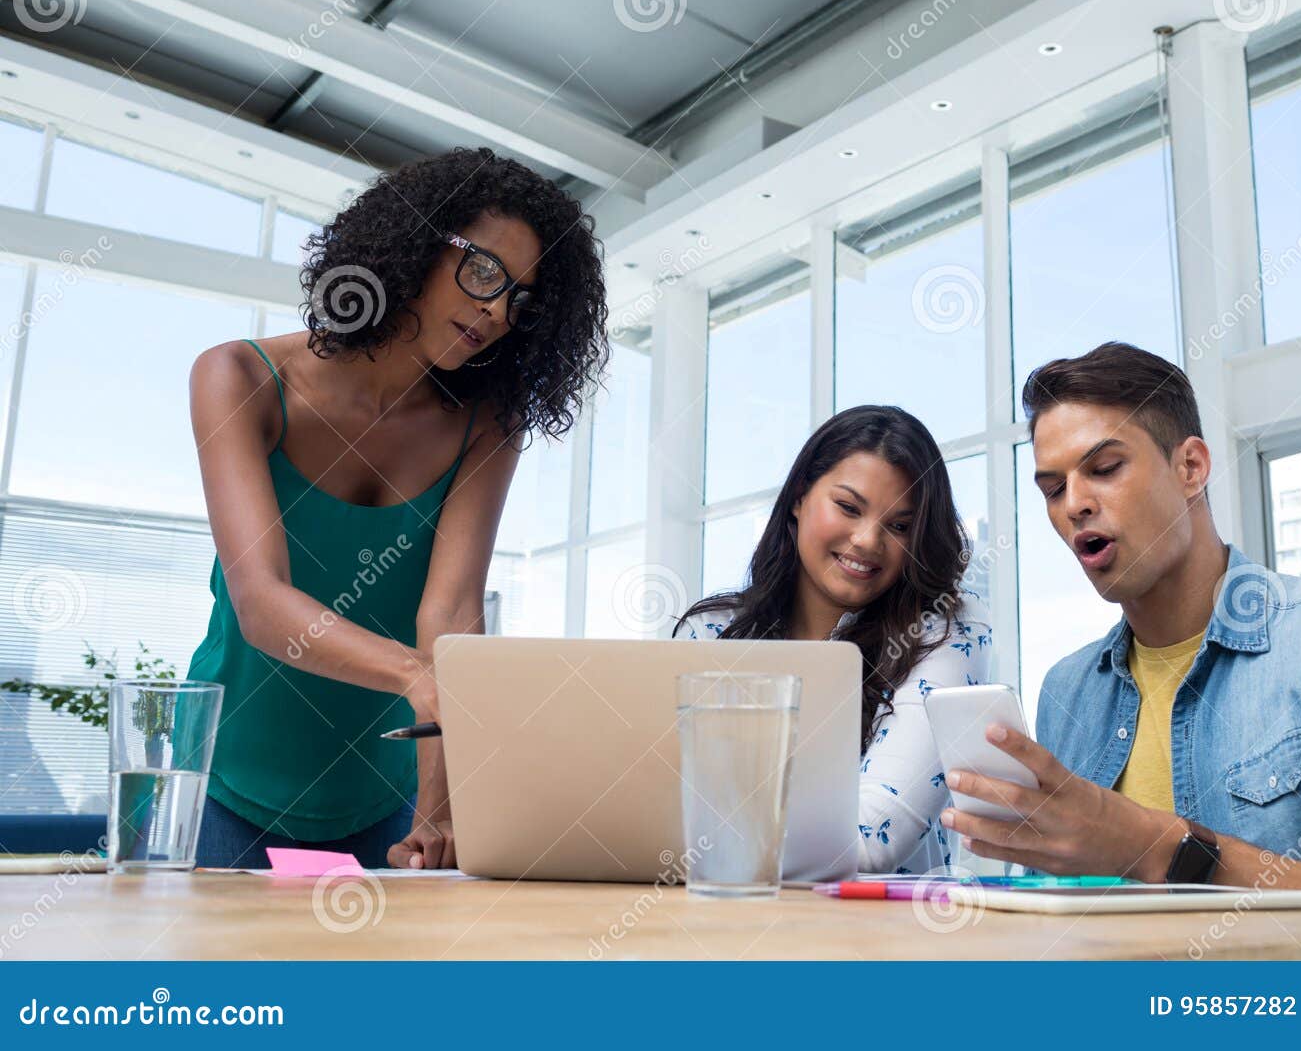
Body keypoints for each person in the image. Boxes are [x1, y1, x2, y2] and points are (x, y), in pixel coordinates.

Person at [938, 342, 1301, 905]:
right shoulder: (1070, 688)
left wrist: (1158, 847)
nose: (1075, 504)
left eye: (1104, 469)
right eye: (1053, 489)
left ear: (1190, 468)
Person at [188, 147, 607, 869]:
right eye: (482, 271)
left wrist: (436, 814)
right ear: (414, 242)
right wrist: (415, 674)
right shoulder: (240, 376)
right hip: (221, 789)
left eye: (522, 299)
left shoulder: (487, 423)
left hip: (381, 804)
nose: (497, 311)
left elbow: (449, 617)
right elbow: (260, 601)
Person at [674, 406, 993, 875]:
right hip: (725, 925)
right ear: (800, 497)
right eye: (848, 507)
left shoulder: (947, 631)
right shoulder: (710, 632)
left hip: (883, 941)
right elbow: (661, 811)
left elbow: (871, 840)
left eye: (900, 526)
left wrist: (716, 836)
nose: (867, 540)